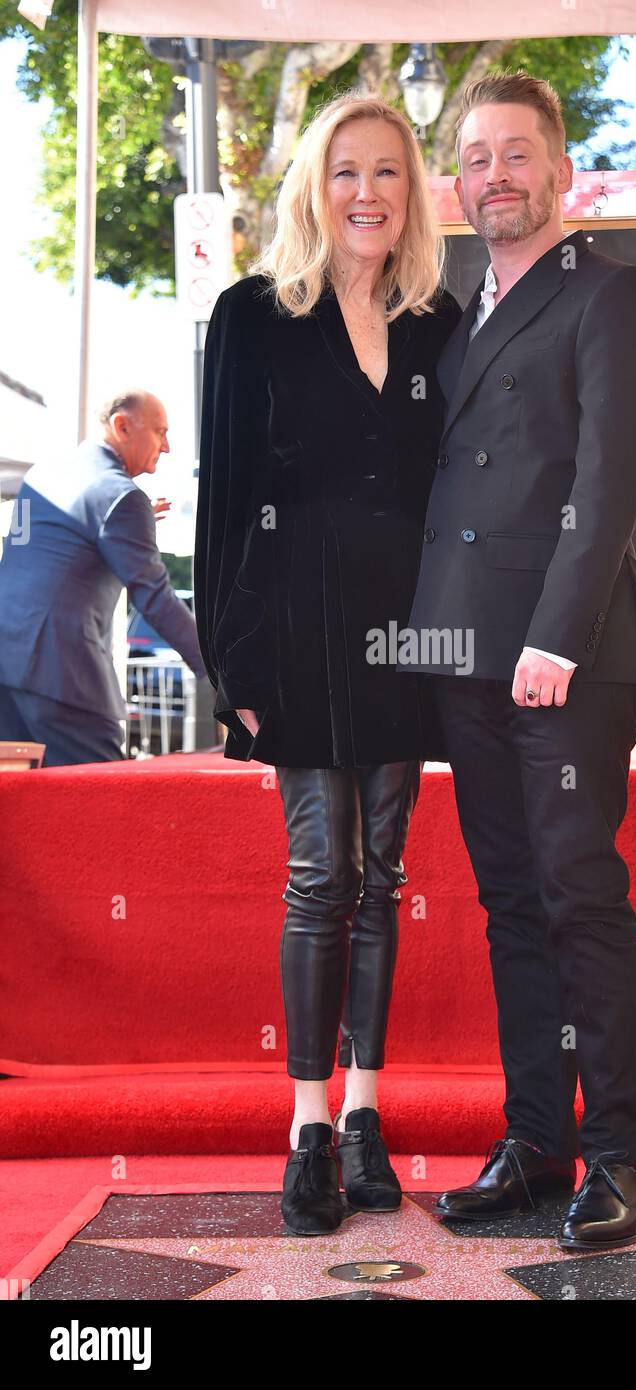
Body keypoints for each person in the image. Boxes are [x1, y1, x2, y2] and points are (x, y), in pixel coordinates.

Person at [402, 71, 636, 1251]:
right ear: (457, 183)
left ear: (563, 171)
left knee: (577, 898)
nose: (496, 175)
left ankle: (620, 1153)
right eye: (475, 157)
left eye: (518, 154)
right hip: (467, 654)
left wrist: (555, 635)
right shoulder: (459, 310)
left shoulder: (610, 294)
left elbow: (611, 480)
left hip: (563, 652)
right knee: (511, 905)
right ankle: (536, 1144)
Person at [193, 94, 462, 1237]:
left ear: (412, 194)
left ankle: (365, 1113)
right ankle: (306, 1123)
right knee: (322, 871)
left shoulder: (442, 322)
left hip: (407, 628)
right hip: (294, 626)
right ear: (315, 185)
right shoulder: (252, 315)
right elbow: (220, 489)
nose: (367, 192)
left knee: (386, 870)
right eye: (346, 171)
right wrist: (229, 652)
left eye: (388, 173)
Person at [0, 392, 206, 766]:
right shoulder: (121, 497)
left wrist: (132, 521)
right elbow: (155, 598)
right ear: (122, 426)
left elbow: (23, 552)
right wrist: (217, 671)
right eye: (160, 432)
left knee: (19, 814)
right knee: (98, 811)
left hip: (7, 667)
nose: (168, 446)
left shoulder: (40, 478)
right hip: (63, 679)